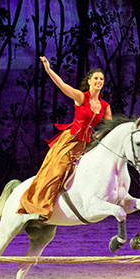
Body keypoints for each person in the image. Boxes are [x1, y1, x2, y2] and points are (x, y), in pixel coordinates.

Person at [18, 56, 112, 218]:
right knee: (57, 170)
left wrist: (101, 133)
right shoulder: (81, 97)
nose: (99, 81)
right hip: (71, 140)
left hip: (87, 144)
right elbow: (62, 85)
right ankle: (40, 206)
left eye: (101, 79)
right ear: (89, 81)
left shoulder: (105, 105)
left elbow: (109, 127)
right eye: (96, 78)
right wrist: (48, 69)